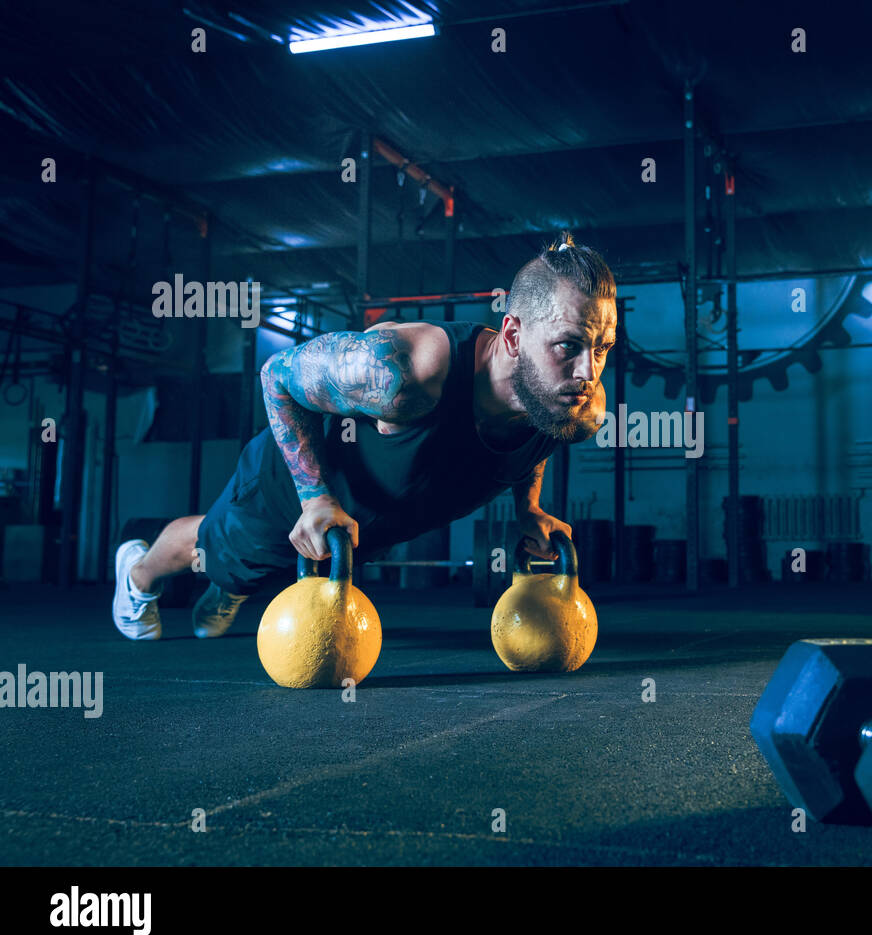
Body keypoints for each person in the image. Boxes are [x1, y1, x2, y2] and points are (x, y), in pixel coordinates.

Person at [112, 233, 615, 640]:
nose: (588, 370)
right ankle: (138, 574)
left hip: (374, 517)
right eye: (568, 345)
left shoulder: (570, 400)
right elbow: (277, 376)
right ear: (511, 335)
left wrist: (529, 508)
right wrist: (313, 498)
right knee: (218, 554)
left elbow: (535, 438)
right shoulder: (405, 373)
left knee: (265, 573)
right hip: (293, 488)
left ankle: (233, 584)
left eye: (603, 347)